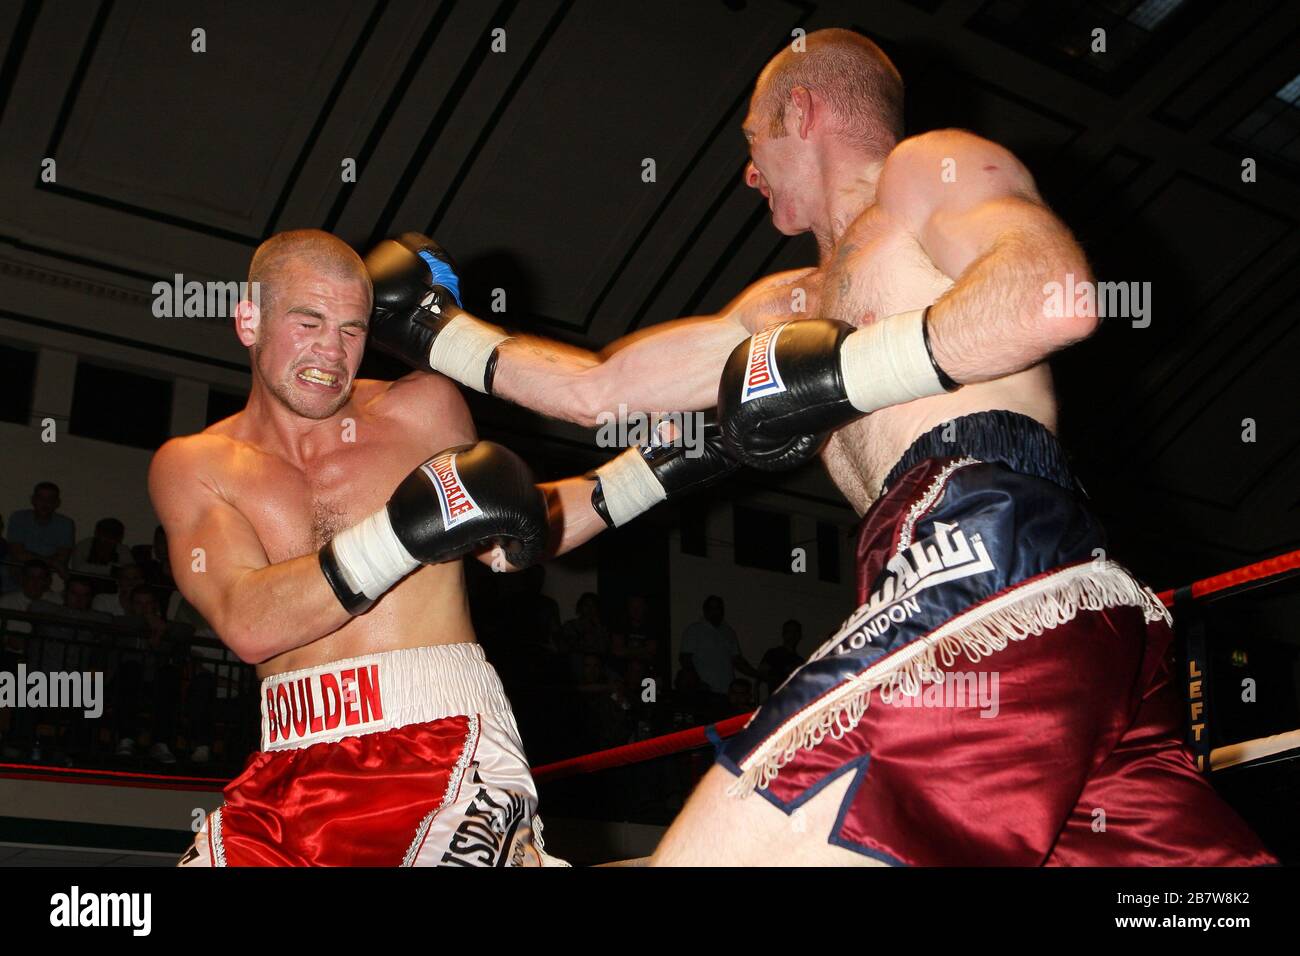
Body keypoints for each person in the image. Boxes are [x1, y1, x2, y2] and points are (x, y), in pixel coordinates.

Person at [364, 30, 1273, 865]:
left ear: (801, 111)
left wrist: (845, 374)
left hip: (988, 548)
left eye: (753, 140)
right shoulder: (786, 307)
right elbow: (602, 391)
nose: (749, 174)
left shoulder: (929, 172)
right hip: (1034, 628)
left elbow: (1052, 298)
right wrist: (441, 336)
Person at [154, 229, 734, 867]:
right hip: (285, 762)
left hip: (438, 733)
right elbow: (248, 620)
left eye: (352, 329)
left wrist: (650, 470)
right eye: (309, 321)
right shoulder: (196, 463)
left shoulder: (422, 408)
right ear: (249, 319)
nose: (332, 351)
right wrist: (405, 533)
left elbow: (508, 539)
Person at [678, 596, 756, 703]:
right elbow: (685, 659)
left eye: (718, 608)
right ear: (705, 610)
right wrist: (696, 682)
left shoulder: (728, 632)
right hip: (704, 691)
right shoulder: (694, 630)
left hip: (727, 692)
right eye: (712, 608)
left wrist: (757, 675)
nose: (715, 612)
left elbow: (737, 660)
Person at [5, 482, 74, 590]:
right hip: (15, 575)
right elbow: (17, 553)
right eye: (41, 498)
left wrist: (32, 557)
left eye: (50, 499)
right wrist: (51, 561)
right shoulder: (19, 518)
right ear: (33, 500)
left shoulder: (65, 524)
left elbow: (62, 558)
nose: (45, 503)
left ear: (57, 503)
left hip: (43, 578)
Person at [68, 517, 132, 591]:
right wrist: (111, 570)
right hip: (83, 591)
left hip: (112, 592)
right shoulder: (84, 545)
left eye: (112, 536)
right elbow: (78, 569)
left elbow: (130, 572)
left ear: (119, 538)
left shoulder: (123, 550)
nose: (108, 539)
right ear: (97, 533)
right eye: (105, 535)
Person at [758, 619, 804, 698]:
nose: (792, 635)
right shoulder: (773, 654)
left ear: (799, 635)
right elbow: (761, 674)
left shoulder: (800, 661)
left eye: (795, 632)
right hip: (776, 700)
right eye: (789, 631)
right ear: (784, 634)